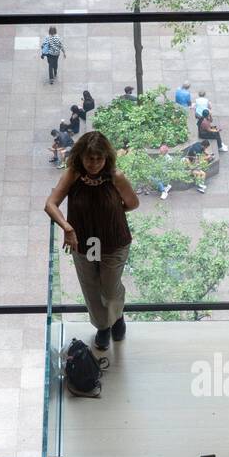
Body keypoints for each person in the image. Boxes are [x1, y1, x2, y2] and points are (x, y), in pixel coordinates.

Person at [44, 130, 139, 353]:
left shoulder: (116, 177)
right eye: (89, 158)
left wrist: (111, 213)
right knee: (91, 288)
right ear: (81, 157)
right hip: (85, 243)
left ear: (106, 158)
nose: (94, 163)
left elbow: (132, 203)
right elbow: (50, 204)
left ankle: (117, 317)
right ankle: (103, 327)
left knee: (110, 288)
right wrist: (67, 228)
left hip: (113, 242)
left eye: (99, 158)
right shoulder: (73, 174)